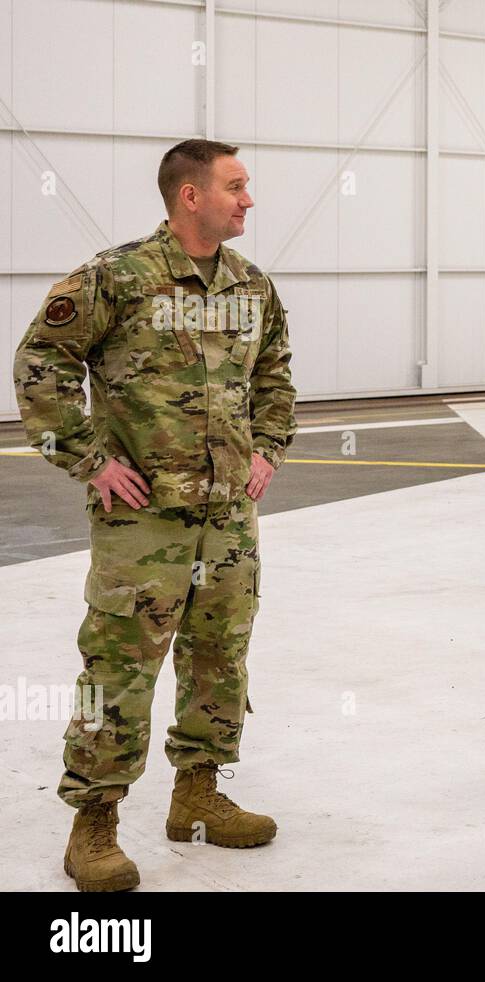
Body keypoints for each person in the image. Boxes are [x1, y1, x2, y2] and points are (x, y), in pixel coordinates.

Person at [13, 139, 297, 891]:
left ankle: (197, 798)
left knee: (220, 657)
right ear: (191, 196)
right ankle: (93, 823)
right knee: (120, 667)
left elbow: (275, 371)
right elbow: (40, 361)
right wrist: (88, 459)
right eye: (236, 186)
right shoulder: (118, 277)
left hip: (228, 516)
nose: (249, 199)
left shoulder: (251, 285)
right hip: (143, 521)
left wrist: (268, 444)